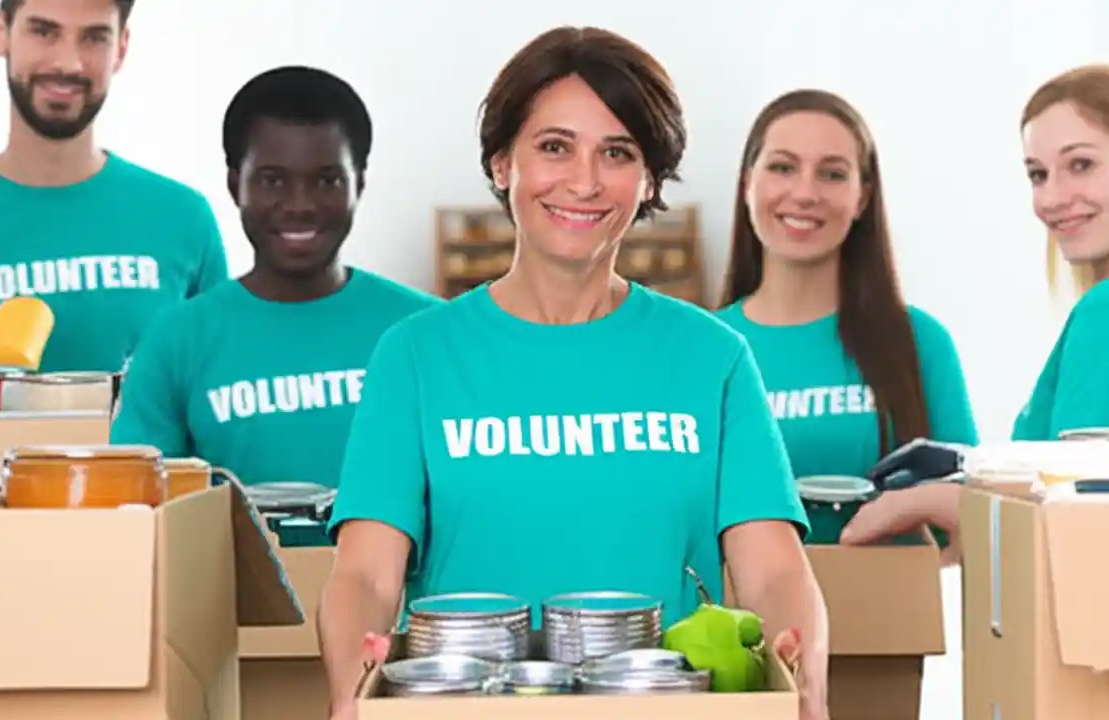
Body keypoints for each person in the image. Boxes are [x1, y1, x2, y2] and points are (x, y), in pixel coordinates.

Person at [317, 26, 829, 720]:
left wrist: (805, 689)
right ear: (503, 164)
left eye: (617, 153)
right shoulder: (415, 356)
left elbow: (773, 570)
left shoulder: (715, 358)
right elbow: (366, 573)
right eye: (554, 147)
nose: (584, 182)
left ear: (648, 178)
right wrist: (351, 692)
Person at [843, 62, 1109, 547]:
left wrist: (925, 502)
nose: (1053, 196)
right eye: (1037, 174)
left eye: (1081, 165)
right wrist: (973, 469)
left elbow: (1085, 529)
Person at [109, 66, 439, 488]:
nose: (300, 204)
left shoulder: (427, 332)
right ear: (235, 185)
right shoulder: (174, 343)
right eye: (272, 180)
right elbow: (137, 510)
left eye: (327, 180)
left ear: (358, 183)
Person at [715, 89, 977, 546]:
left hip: (893, 614)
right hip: (754, 617)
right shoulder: (704, 346)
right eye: (782, 167)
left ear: (862, 198)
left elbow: (974, 516)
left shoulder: (920, 342)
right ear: (746, 183)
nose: (805, 192)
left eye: (833, 174)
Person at [0, 0, 228, 373]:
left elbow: (219, 406)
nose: (68, 63)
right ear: (0, 32)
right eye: (44, 32)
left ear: (121, 48)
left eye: (94, 37)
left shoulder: (183, 220)